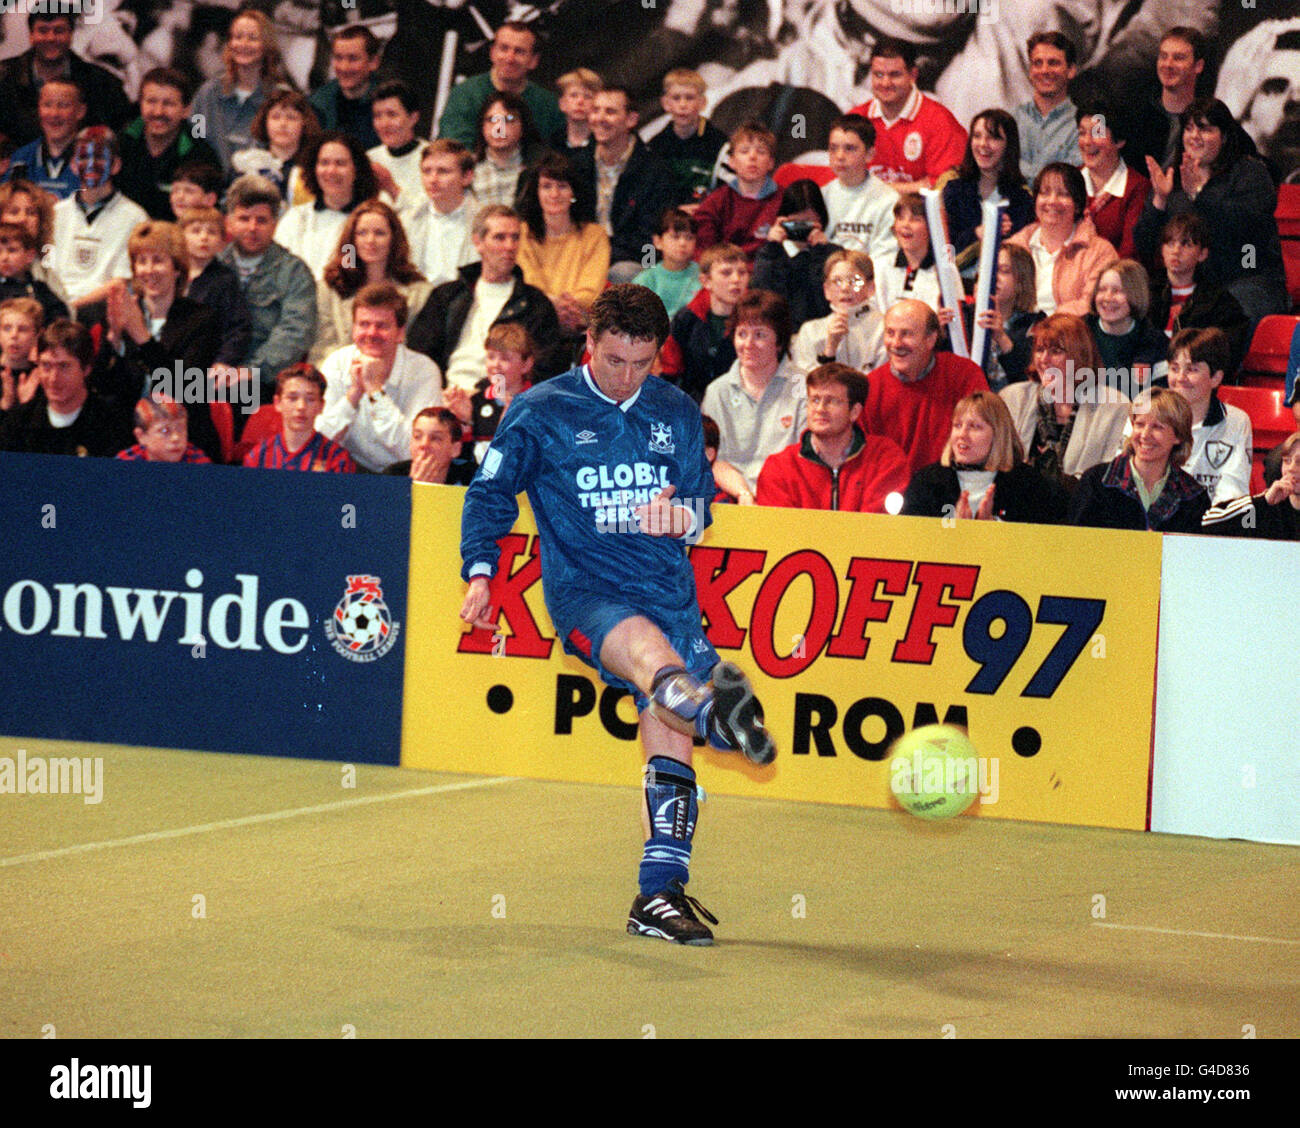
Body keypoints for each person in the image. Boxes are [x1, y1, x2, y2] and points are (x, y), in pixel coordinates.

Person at [459, 283, 776, 947]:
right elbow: (489, 495)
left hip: (666, 587)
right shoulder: (539, 410)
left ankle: (658, 895)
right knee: (654, 663)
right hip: (585, 590)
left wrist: (680, 516)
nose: (628, 377)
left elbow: (700, 506)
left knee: (668, 741)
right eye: (613, 362)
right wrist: (481, 573)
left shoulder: (676, 411)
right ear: (589, 347)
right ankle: (711, 711)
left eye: (642, 364)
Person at [1134, 98, 1288, 325]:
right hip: (1186, 282)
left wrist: (1200, 194)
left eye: (1204, 129)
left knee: (1229, 309)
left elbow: (1245, 231)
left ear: (1224, 137)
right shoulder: (1173, 178)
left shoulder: (1251, 173)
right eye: (1188, 129)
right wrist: (1160, 200)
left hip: (1246, 275)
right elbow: (1144, 244)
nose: (1194, 136)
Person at [86, 220, 223, 462]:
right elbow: (103, 388)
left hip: (182, 440)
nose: (148, 270)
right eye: (142, 261)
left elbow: (183, 388)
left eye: (158, 260)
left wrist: (142, 336)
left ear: (177, 268)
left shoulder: (201, 319)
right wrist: (114, 340)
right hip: (130, 438)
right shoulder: (123, 310)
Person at [406, 205, 563, 390]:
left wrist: (483, 398)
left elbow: (544, 371)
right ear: (478, 242)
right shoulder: (447, 297)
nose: (509, 246)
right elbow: (419, 356)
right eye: (500, 237)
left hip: (500, 399)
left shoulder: (536, 305)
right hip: (444, 395)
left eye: (515, 238)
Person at [317, 281, 444, 474]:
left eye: (382, 326)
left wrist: (375, 391)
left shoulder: (424, 371)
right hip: (350, 471)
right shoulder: (336, 363)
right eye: (363, 324)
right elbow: (319, 444)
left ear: (400, 333)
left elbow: (414, 451)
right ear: (353, 329)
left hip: (404, 474)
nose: (371, 333)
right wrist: (354, 395)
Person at [217, 174, 317, 409]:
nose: (252, 228)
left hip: (266, 380)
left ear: (274, 224)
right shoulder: (213, 266)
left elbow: (296, 332)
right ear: (229, 222)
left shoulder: (294, 272)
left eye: (261, 220)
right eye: (244, 218)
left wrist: (252, 370)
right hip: (214, 372)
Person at [755, 361, 908, 513]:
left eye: (832, 401)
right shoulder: (779, 468)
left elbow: (878, 529)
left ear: (854, 411)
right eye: (815, 400)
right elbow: (780, 532)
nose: (820, 409)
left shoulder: (885, 459)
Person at [859, 298, 988, 477]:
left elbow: (982, 440)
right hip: (891, 493)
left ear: (931, 339)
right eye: (890, 333)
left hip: (953, 486)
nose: (895, 343)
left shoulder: (964, 374)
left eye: (906, 334)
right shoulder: (870, 388)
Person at [1000, 312, 1130, 485]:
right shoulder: (1013, 398)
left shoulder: (1114, 406)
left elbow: (1112, 478)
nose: (1044, 360)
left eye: (1056, 351)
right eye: (1040, 350)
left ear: (1079, 356)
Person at [901, 390, 1068, 524]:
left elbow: (1045, 547)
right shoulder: (926, 482)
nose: (962, 435)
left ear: (998, 435)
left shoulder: (1029, 485)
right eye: (958, 425)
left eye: (974, 427)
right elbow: (908, 542)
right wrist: (951, 533)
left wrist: (995, 529)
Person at [700, 289, 806, 492]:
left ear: (780, 341)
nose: (748, 344)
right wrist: (744, 494)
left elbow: (805, 458)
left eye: (759, 335)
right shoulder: (717, 391)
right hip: (731, 492)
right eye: (741, 334)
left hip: (788, 493)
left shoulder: (804, 385)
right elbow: (714, 459)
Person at [1068, 386, 1209, 532]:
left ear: (1178, 436)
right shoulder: (1095, 482)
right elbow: (1075, 545)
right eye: (1140, 424)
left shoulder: (1193, 496)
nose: (1145, 435)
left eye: (1157, 427)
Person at [311, 199, 432, 366]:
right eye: (362, 233)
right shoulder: (329, 289)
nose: (370, 240)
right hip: (341, 376)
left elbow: (417, 351)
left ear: (394, 240)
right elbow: (322, 349)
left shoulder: (419, 292)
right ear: (351, 241)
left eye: (379, 233)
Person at [575, 86, 674, 284]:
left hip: (631, 261)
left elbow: (651, 242)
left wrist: (650, 272)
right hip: (579, 256)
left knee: (625, 274)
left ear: (631, 120)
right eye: (595, 110)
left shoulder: (654, 170)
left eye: (610, 112)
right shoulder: (575, 165)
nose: (600, 118)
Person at [515, 153, 610, 356]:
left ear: (573, 192)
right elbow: (528, 282)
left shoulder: (595, 235)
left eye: (562, 186)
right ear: (536, 192)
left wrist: (568, 308)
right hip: (534, 321)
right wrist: (553, 307)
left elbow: (591, 288)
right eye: (547, 186)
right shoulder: (521, 233)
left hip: (579, 320)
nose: (554, 194)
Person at [847, 37, 967, 192]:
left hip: (921, 215)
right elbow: (844, 178)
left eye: (894, 75)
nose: (885, 83)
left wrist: (884, 191)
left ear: (913, 76)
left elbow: (947, 184)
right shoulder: (855, 119)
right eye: (878, 75)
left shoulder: (940, 121)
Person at [0, 7, 132, 146]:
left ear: (71, 35)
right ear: (31, 36)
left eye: (59, 30)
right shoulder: (4, 78)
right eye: (43, 31)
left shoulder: (102, 83)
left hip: (80, 165)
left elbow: (128, 128)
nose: (51, 38)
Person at [0, 318, 131, 457]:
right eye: (46, 365)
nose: (53, 378)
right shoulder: (19, 422)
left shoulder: (112, 425)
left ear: (86, 369)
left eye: (64, 366)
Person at [49, 126, 149, 305]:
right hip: (56, 305)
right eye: (84, 157)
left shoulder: (135, 217)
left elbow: (121, 282)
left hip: (103, 308)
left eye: (100, 158)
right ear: (72, 165)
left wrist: (71, 309)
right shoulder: (55, 213)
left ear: (116, 165)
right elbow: (46, 271)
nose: (91, 164)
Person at [1006, 162, 1118, 317]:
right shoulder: (1014, 246)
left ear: (1078, 205)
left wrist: (1048, 327)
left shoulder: (1100, 252)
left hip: (1067, 335)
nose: (1052, 201)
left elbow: (1091, 304)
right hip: (1013, 333)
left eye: (1063, 194)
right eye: (1045, 193)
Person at [436, 21, 564, 153]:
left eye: (519, 52)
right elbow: (453, 152)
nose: (510, 58)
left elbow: (556, 156)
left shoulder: (547, 104)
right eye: (504, 48)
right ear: (492, 53)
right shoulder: (466, 95)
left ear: (533, 60)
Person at [1146, 213, 1249, 376]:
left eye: (1186, 244)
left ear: (1202, 254)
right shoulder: (1145, 294)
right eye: (1170, 243)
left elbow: (1223, 356)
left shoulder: (1221, 304)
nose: (1176, 251)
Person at [190, 8, 287, 176]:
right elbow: (195, 142)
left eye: (252, 38)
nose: (243, 44)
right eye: (238, 37)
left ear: (267, 45)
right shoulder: (207, 94)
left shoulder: (280, 98)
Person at [116, 68, 221, 221]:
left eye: (169, 104)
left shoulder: (201, 155)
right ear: (140, 104)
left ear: (186, 110)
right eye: (151, 101)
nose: (158, 112)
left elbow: (208, 218)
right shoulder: (119, 145)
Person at [276, 132, 381, 282]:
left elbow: (350, 271)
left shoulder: (366, 222)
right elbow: (280, 269)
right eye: (324, 163)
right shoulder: (297, 217)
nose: (331, 171)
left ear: (356, 169)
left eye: (340, 163)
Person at [1166, 328, 1252, 504]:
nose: (1180, 378)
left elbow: (1233, 492)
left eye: (1191, 369)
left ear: (1216, 378)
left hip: (1209, 525)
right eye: (1174, 368)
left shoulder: (1236, 421)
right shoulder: (1145, 414)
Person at [941, 109, 1034, 272]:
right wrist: (977, 233)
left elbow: (1024, 262)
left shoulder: (1022, 199)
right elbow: (941, 250)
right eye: (977, 136)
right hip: (955, 285)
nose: (983, 144)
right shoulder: (953, 190)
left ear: (1009, 145)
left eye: (993, 137)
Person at [660, 242, 747, 403]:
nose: (736, 279)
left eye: (742, 272)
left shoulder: (756, 318)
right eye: (726, 273)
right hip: (693, 404)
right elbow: (670, 373)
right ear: (706, 281)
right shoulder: (685, 320)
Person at [751, 179, 838, 330]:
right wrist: (772, 247)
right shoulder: (770, 254)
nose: (801, 229)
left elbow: (825, 302)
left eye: (808, 222)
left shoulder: (833, 255)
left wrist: (820, 253)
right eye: (796, 222)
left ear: (821, 219)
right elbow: (763, 297)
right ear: (782, 219)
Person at [442, 322, 536, 459]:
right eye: (491, 357)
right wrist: (464, 422)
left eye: (505, 358)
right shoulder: (475, 402)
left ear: (526, 365)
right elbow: (463, 462)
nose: (495, 365)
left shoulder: (537, 405)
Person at [1122, 26, 1208, 174]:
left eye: (1178, 58)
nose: (1168, 64)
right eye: (1163, 56)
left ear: (1198, 66)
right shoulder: (1134, 115)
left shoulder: (1211, 121)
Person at [692, 120, 781, 261]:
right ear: (731, 162)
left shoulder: (784, 201)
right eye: (744, 151)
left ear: (771, 162)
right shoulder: (716, 201)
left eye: (761, 152)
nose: (752, 157)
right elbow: (701, 250)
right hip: (723, 272)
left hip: (764, 275)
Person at [243, 363, 355, 473]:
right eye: (292, 398)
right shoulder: (258, 458)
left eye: (310, 399)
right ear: (278, 403)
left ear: (321, 406)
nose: (301, 407)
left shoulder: (338, 460)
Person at [178, 206, 252, 372]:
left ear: (222, 242)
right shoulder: (172, 275)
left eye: (211, 232)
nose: (204, 237)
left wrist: (225, 360)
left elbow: (239, 327)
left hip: (204, 364)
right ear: (181, 238)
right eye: (196, 231)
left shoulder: (225, 280)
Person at [789, 250, 884, 377]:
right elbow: (805, 383)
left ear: (870, 288)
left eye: (854, 281)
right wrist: (830, 350)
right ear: (826, 290)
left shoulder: (884, 328)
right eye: (837, 281)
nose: (845, 288)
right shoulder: (810, 332)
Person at [1076, 100, 1149, 261]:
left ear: (1119, 140)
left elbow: (1129, 256)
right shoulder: (1067, 180)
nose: (1087, 141)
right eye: (1082, 133)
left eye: (1097, 133)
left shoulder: (1137, 187)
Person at [645, 68, 727, 209]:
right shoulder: (655, 146)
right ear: (666, 103)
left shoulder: (720, 144)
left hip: (706, 219)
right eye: (676, 98)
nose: (683, 105)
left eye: (689, 98)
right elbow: (648, 196)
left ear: (702, 103)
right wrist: (674, 211)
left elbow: (727, 193)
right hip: (666, 222)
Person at [821, 114, 899, 260]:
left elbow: (885, 259)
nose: (839, 156)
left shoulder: (889, 200)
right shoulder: (820, 196)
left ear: (869, 154)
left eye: (849, 148)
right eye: (833, 148)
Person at [404, 140, 480, 288]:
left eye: (443, 171)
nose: (433, 179)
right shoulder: (406, 221)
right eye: (426, 171)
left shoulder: (485, 221)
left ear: (467, 177)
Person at [1202, 431, 1300, 541]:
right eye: (1287, 461)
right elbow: (1208, 523)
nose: (1291, 468)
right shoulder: (1267, 507)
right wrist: (1262, 502)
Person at [232, 89, 321, 209]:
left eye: (291, 118)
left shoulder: (314, 167)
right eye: (275, 117)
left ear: (304, 123)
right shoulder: (246, 162)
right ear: (265, 122)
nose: (283, 124)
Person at [1086, 260, 1167, 391]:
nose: (1107, 297)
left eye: (1117, 291)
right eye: (1102, 290)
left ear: (1136, 294)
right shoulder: (1080, 331)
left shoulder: (1154, 341)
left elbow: (1162, 398)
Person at [1012, 31, 1083, 181]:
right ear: (1030, 71)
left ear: (1071, 71)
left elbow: (1069, 180)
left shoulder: (1084, 125)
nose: (1044, 71)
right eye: (1038, 63)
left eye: (1053, 63)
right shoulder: (1011, 120)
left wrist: (1016, 170)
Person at [4, 77, 84, 200]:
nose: (54, 114)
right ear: (38, 109)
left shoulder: (92, 159)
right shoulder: (21, 159)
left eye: (63, 105)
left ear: (80, 111)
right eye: (47, 105)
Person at [308, 24, 382, 152]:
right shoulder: (318, 103)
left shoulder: (388, 103)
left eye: (353, 59)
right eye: (338, 58)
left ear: (373, 62)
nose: (344, 67)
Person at [978, 243, 1043, 389]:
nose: (994, 277)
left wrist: (1001, 338)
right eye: (989, 270)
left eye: (1004, 271)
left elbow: (1028, 383)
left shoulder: (1036, 325)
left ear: (1022, 280)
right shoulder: (967, 318)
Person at [472, 92, 545, 209]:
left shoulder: (539, 169)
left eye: (508, 120)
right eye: (491, 120)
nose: (498, 128)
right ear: (482, 126)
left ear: (523, 126)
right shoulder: (468, 169)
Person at [0, 180, 65, 306]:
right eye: (14, 212)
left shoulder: (44, 270)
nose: (23, 219)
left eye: (31, 213)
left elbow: (67, 316)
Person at [368, 81, 425, 220]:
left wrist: (391, 188)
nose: (384, 124)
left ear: (413, 118)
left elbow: (429, 214)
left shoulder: (431, 158)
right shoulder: (369, 158)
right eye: (378, 116)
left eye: (392, 115)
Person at [632, 208, 700, 321]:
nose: (682, 243)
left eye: (689, 238)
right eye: (675, 237)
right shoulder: (647, 279)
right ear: (658, 242)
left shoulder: (703, 275)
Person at [384, 406, 476, 485]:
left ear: (455, 449)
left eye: (435, 438)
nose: (424, 444)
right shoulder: (392, 476)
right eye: (417, 436)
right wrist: (413, 487)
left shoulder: (473, 478)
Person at [0, 222, 67, 325]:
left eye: (12, 250)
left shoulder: (40, 289)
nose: (4, 257)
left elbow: (60, 319)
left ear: (29, 256)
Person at [116, 395, 211, 464]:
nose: (176, 438)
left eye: (181, 429)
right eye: (164, 431)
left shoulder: (199, 461)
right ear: (141, 436)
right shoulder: (124, 464)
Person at [0, 297, 44, 417]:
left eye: (23, 329)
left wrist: (25, 405)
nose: (14, 335)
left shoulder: (41, 377)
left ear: (37, 335)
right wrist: (5, 404)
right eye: (7, 328)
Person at [551, 69, 602, 158]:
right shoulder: (553, 143)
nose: (580, 101)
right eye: (574, 95)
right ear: (562, 104)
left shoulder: (603, 142)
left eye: (587, 96)